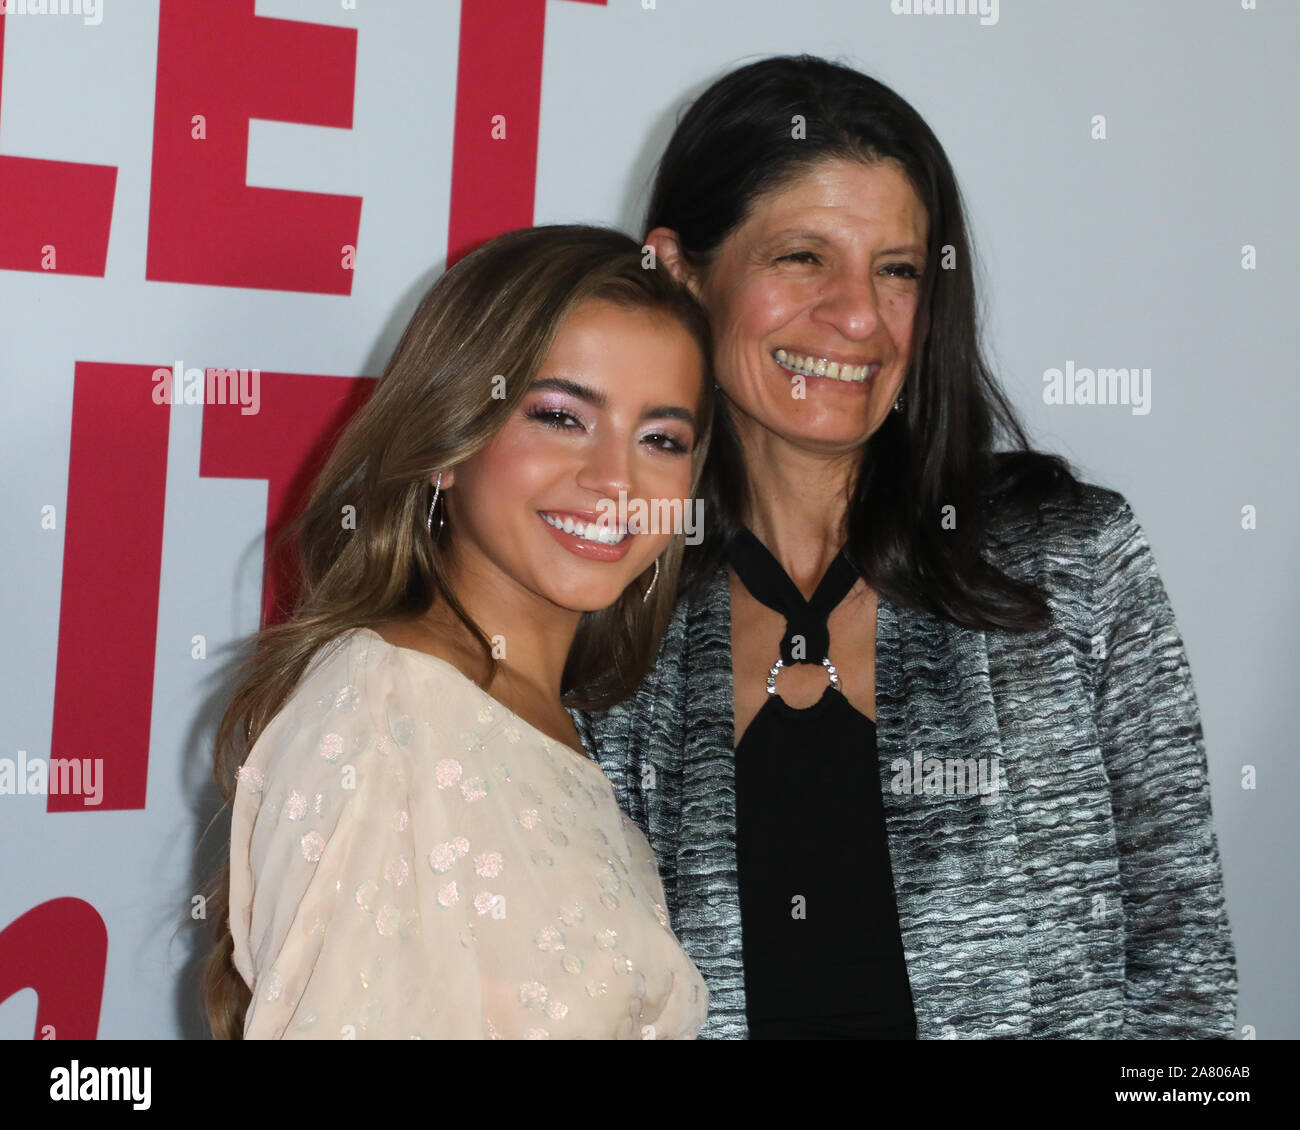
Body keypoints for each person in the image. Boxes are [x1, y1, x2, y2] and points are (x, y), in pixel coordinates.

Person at [572, 55, 1237, 1039]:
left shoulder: (1070, 561)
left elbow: (1191, 993)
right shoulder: (606, 594)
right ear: (678, 271)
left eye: (897, 270)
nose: (856, 316)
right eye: (802, 257)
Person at [200, 224, 715, 1039]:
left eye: (661, 439)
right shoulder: (385, 708)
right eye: (560, 416)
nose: (616, 479)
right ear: (448, 443)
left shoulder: (543, 723)